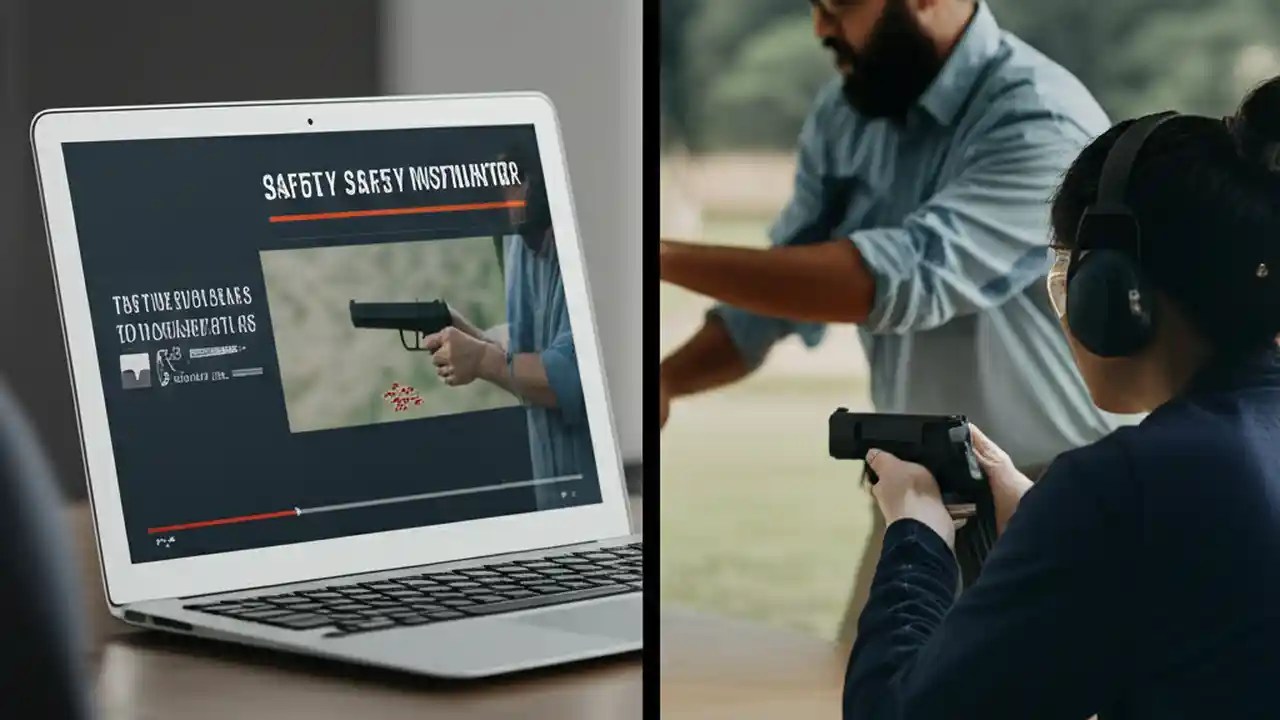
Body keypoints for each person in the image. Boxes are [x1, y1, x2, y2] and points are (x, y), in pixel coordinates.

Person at [659, 0, 1122, 639]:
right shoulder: (846, 113)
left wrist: (654, 255)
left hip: (1053, 499)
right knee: (864, 693)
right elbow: (768, 301)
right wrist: (667, 380)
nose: (820, 27)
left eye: (839, 6)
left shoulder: (1038, 119)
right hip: (915, 493)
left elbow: (906, 279)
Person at [844, 77, 1280, 719]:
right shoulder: (1164, 481)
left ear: (1109, 291)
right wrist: (1044, 524)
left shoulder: (1124, 486)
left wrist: (916, 532)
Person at [424, 147, 595, 507]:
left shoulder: (583, 241)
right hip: (552, 498)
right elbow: (530, 345)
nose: (501, 189)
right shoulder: (515, 237)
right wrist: (474, 339)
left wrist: (485, 361)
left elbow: (575, 378)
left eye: (513, 175)